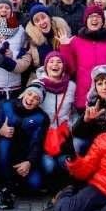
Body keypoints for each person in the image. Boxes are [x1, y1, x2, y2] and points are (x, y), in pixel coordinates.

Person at [0, 81, 50, 208]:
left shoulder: (41, 117)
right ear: (23, 94)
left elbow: (37, 143)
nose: (31, 99)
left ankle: (12, 186)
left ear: (39, 103)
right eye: (30, 94)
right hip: (2, 157)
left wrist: (29, 162)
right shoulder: (4, 105)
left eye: (36, 98)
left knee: (35, 183)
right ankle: (3, 183)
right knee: (3, 144)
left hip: (22, 158)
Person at [34, 52, 76, 181]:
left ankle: (62, 187)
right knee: (49, 166)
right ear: (46, 66)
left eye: (59, 62)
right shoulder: (38, 83)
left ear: (63, 66)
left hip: (64, 135)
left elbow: (74, 110)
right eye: (51, 61)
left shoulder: (71, 86)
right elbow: (28, 105)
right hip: (43, 136)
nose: (55, 65)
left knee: (66, 164)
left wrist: (70, 125)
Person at [17, 3, 71, 72]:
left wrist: (66, 46)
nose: (42, 22)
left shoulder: (64, 34)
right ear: (34, 25)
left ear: (49, 17)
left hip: (63, 74)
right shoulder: (32, 40)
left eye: (43, 17)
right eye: (37, 20)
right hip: (42, 76)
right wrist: (6, 61)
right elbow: (23, 62)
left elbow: (71, 62)